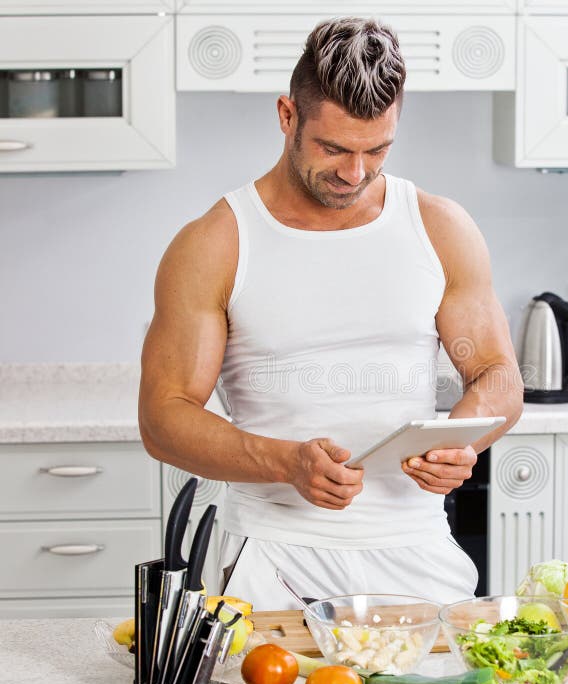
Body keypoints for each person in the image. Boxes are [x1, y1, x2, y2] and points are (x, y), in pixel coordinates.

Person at [139, 17, 523, 610]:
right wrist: (284, 462)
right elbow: (164, 417)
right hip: (271, 560)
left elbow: (498, 374)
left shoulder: (440, 227)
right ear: (288, 116)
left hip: (417, 553)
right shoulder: (216, 243)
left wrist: (463, 440)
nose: (356, 173)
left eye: (377, 150)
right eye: (334, 148)